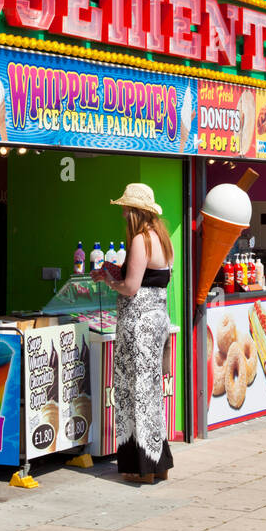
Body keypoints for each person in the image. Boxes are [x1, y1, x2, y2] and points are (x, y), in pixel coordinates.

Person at [93, 182, 174, 483]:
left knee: (132, 393)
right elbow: (153, 278)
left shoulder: (140, 240)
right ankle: (158, 463)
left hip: (137, 325)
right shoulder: (163, 240)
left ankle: (140, 469)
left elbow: (132, 287)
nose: (123, 213)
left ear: (136, 212)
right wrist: (113, 273)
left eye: (127, 209)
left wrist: (108, 283)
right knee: (151, 394)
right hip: (156, 323)